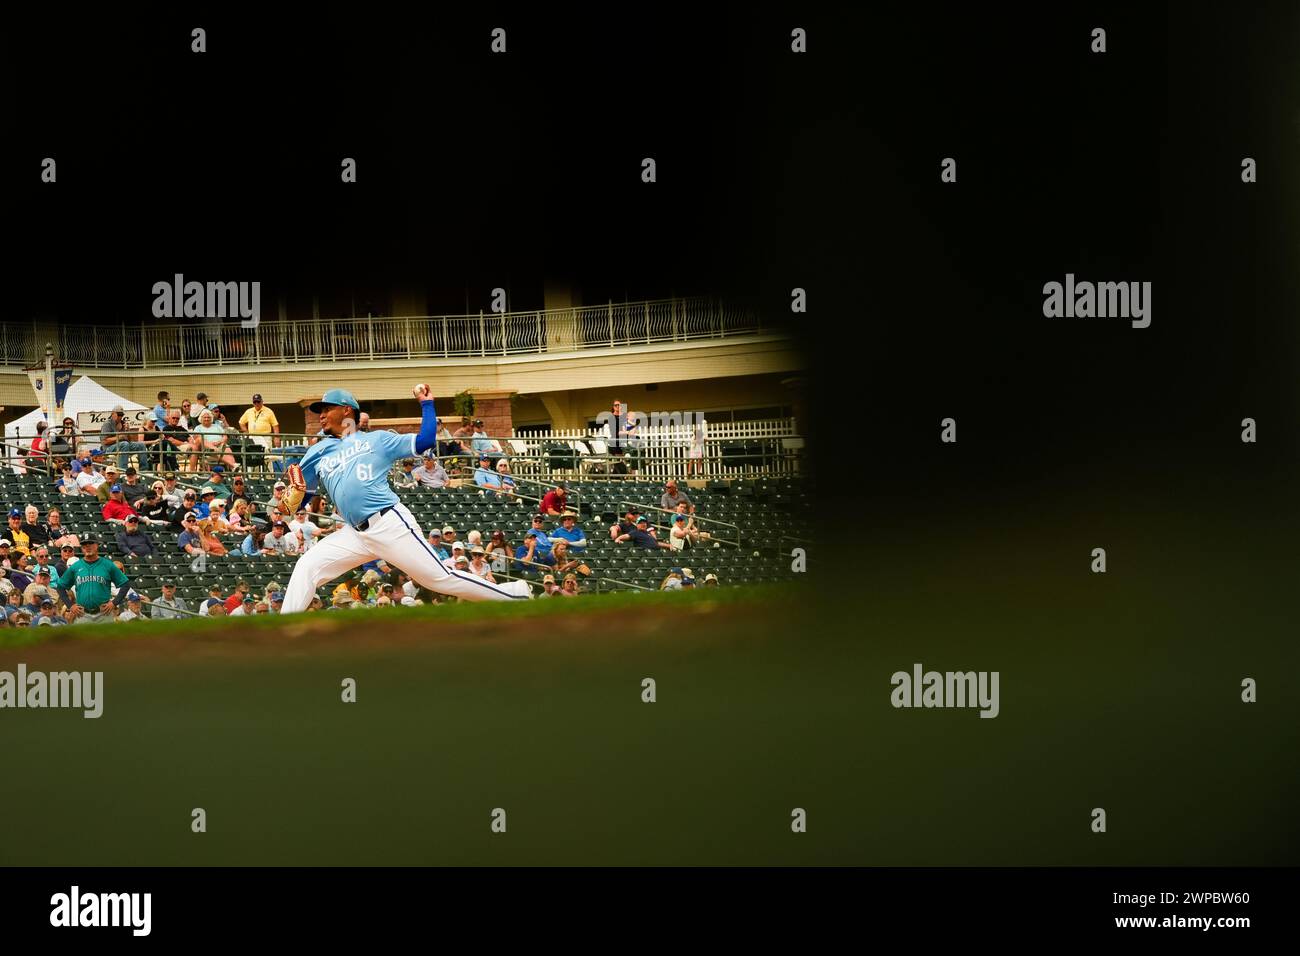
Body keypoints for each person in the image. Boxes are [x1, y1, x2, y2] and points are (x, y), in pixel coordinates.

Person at [280, 385, 531, 612]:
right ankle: (281, 632)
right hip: (354, 534)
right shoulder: (317, 451)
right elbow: (302, 494)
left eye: (326, 408)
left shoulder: (377, 439)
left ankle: (514, 597)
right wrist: (290, 503)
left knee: (438, 578)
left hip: (388, 524)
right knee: (306, 567)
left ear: (347, 410)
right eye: (319, 410)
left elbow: (424, 441)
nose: (321, 414)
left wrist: (427, 404)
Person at [53, 534, 131, 625]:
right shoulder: (76, 567)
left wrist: (114, 603)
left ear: (97, 545)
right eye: (84, 545)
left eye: (90, 543)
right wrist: (71, 606)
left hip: (104, 614)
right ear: (81, 548)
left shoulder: (107, 565)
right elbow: (60, 586)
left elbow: (125, 584)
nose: (87, 547)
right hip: (82, 614)